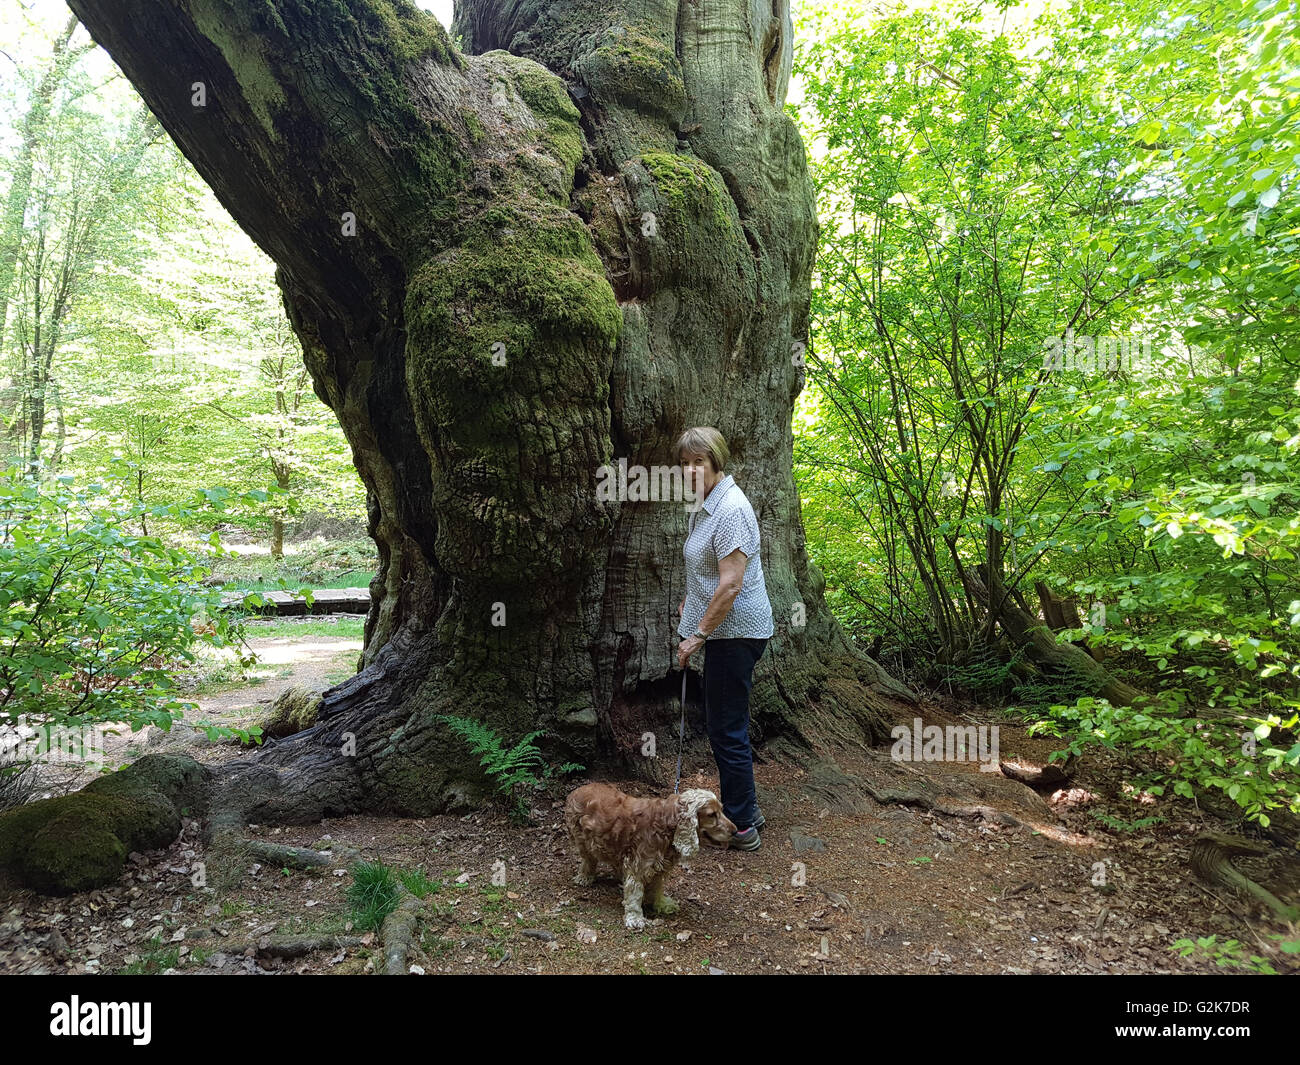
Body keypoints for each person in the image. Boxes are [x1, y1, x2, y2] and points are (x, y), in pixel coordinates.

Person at [673, 426, 774, 851]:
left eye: (699, 461)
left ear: (716, 461)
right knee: (725, 724)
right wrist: (689, 602)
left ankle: (744, 825)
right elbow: (708, 570)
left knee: (725, 728)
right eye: (685, 464)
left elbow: (731, 584)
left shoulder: (731, 508)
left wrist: (697, 633)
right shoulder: (707, 503)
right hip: (725, 630)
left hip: (737, 632)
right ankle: (747, 807)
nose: (691, 470)